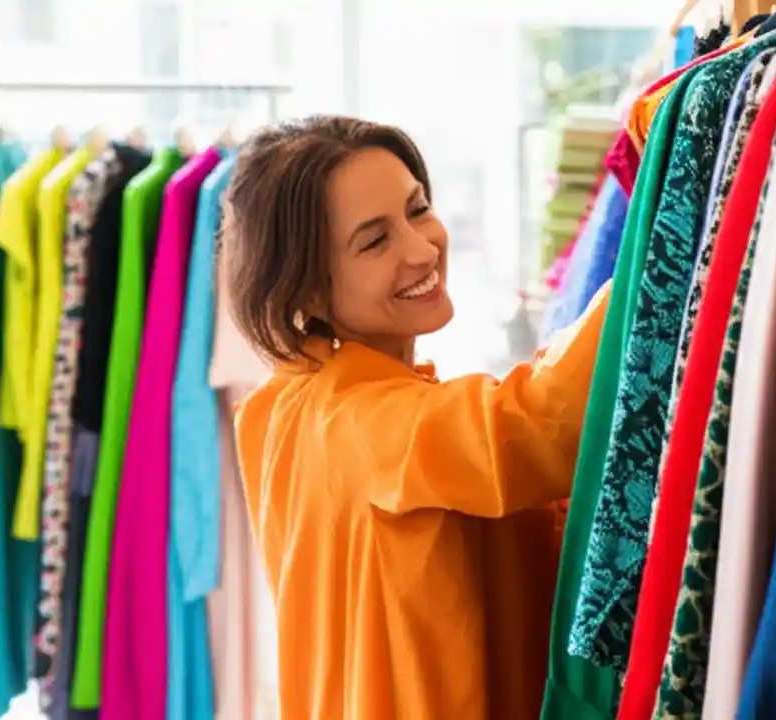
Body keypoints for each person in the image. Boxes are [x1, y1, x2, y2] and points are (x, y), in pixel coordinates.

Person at [222, 115, 611, 719]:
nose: (423, 247)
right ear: (306, 291)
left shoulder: (285, 403)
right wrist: (654, 261)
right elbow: (536, 425)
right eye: (374, 241)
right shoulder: (363, 422)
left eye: (418, 208)